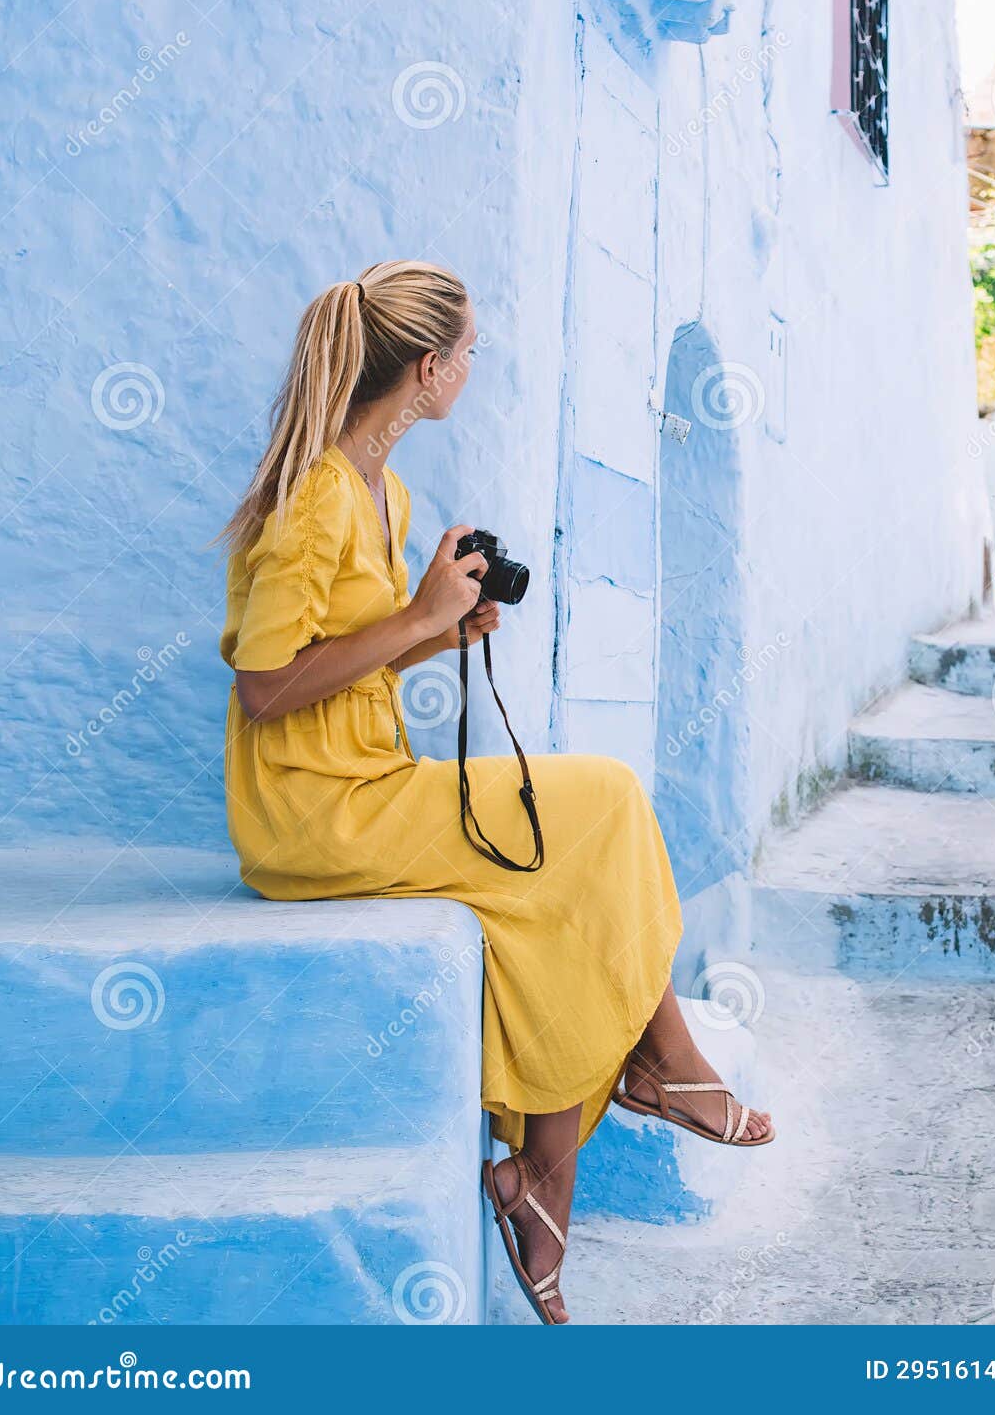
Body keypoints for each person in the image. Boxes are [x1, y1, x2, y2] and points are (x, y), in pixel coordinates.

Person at [217, 260, 772, 1325]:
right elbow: (265, 687)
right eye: (468, 351)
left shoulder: (386, 490)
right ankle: (656, 1079)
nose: (475, 366)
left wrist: (441, 631)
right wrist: (422, 621)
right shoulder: (317, 498)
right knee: (598, 802)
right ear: (428, 370)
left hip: (365, 778)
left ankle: (556, 1162)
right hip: (310, 812)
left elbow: (349, 660)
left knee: (583, 835)